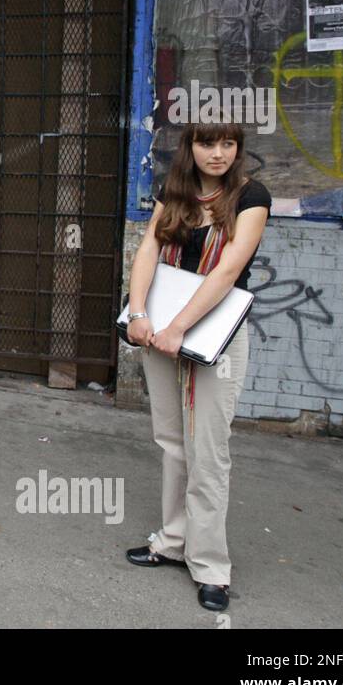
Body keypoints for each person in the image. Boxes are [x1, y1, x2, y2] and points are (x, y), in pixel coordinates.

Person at [124, 122, 270, 613]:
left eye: (228, 143)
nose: (218, 153)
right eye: (208, 142)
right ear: (190, 147)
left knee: (208, 451)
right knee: (171, 442)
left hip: (212, 336)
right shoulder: (177, 191)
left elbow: (229, 269)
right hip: (159, 324)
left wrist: (178, 329)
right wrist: (140, 313)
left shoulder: (252, 196)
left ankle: (210, 566)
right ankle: (171, 542)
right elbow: (148, 247)